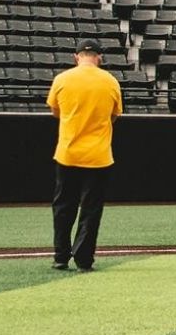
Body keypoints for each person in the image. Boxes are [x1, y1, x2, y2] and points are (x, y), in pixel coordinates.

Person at [47, 39, 123, 271]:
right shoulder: (110, 81)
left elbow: (55, 111)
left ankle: (61, 256)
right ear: (99, 57)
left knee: (63, 206)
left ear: (76, 56)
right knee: (91, 209)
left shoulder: (62, 79)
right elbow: (114, 115)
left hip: (68, 153)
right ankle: (84, 259)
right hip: (98, 156)